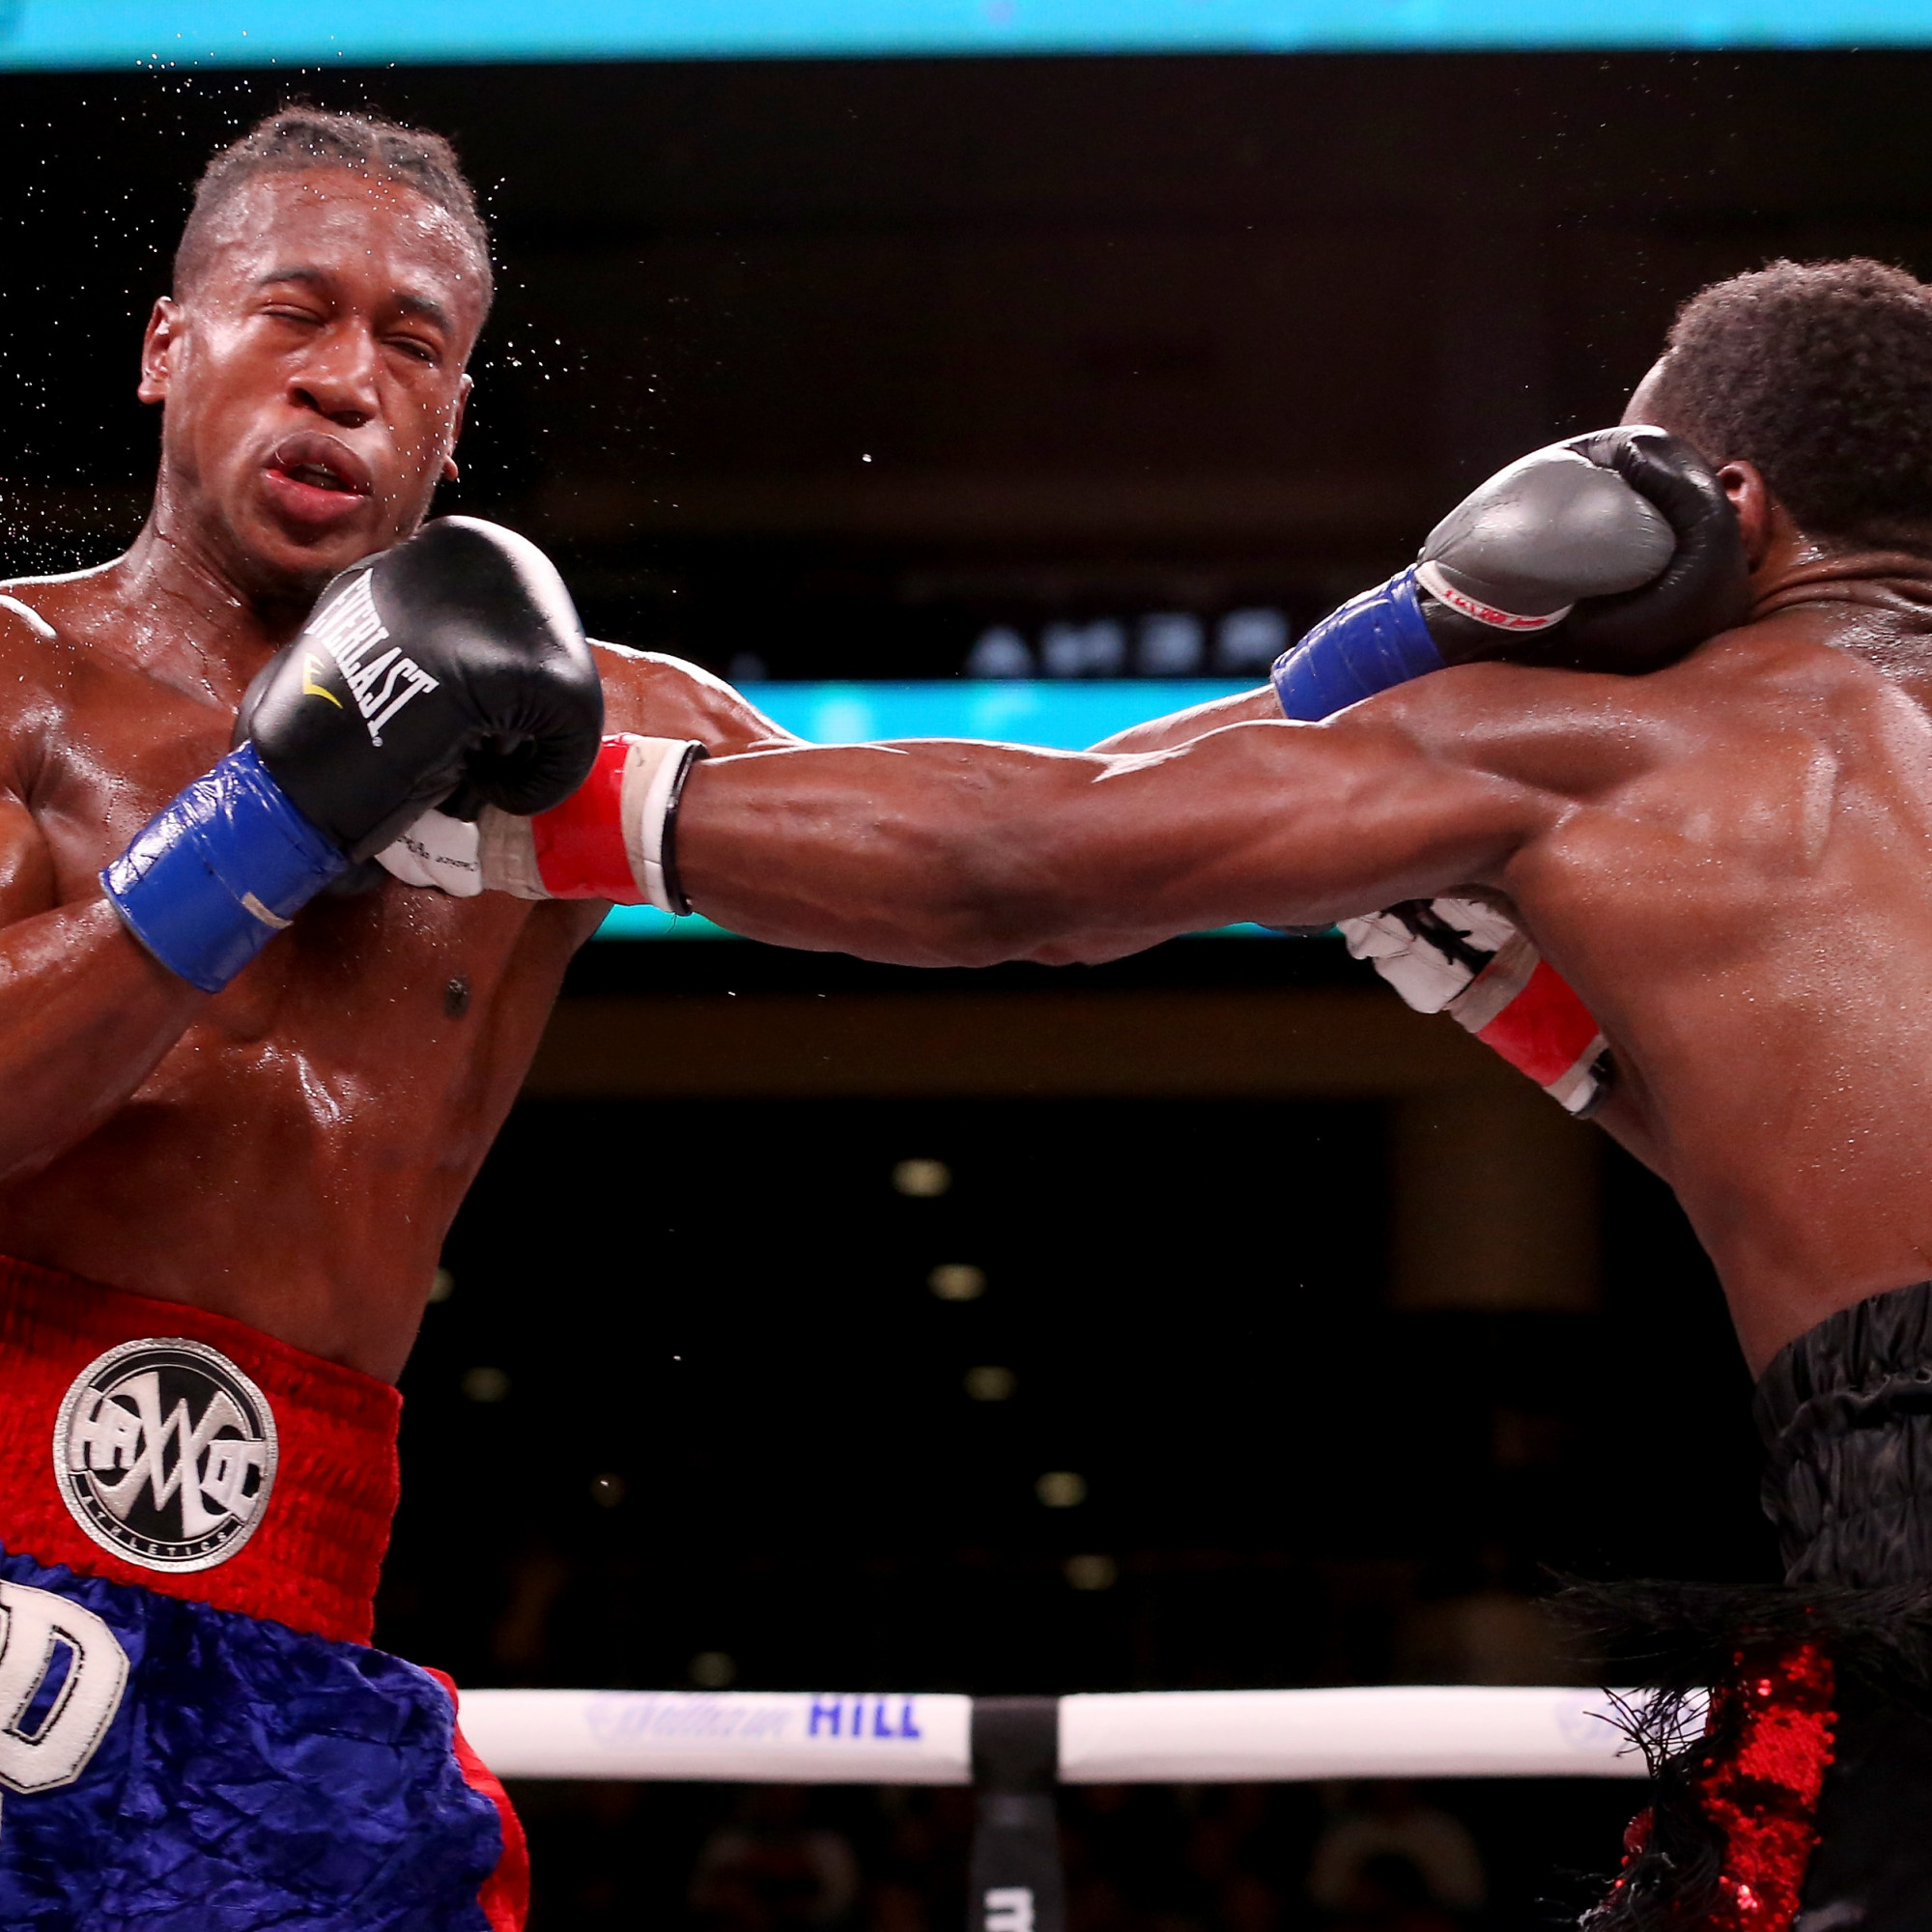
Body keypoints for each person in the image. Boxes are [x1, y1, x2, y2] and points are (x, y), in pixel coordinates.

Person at [402, 257, 1932, 1931]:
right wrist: (1543, 1017)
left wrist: (519, 811)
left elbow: (1024, 865)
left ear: (1720, 507)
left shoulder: (1599, 748)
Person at [0, 106, 792, 1929]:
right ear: (165, 345)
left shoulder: (578, 735)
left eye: (415, 345)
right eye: (295, 312)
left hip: (289, 1667)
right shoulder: (18, 688)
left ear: (450, 419)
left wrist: (1401, 663)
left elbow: (1006, 853)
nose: (351, 379)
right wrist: (272, 816)